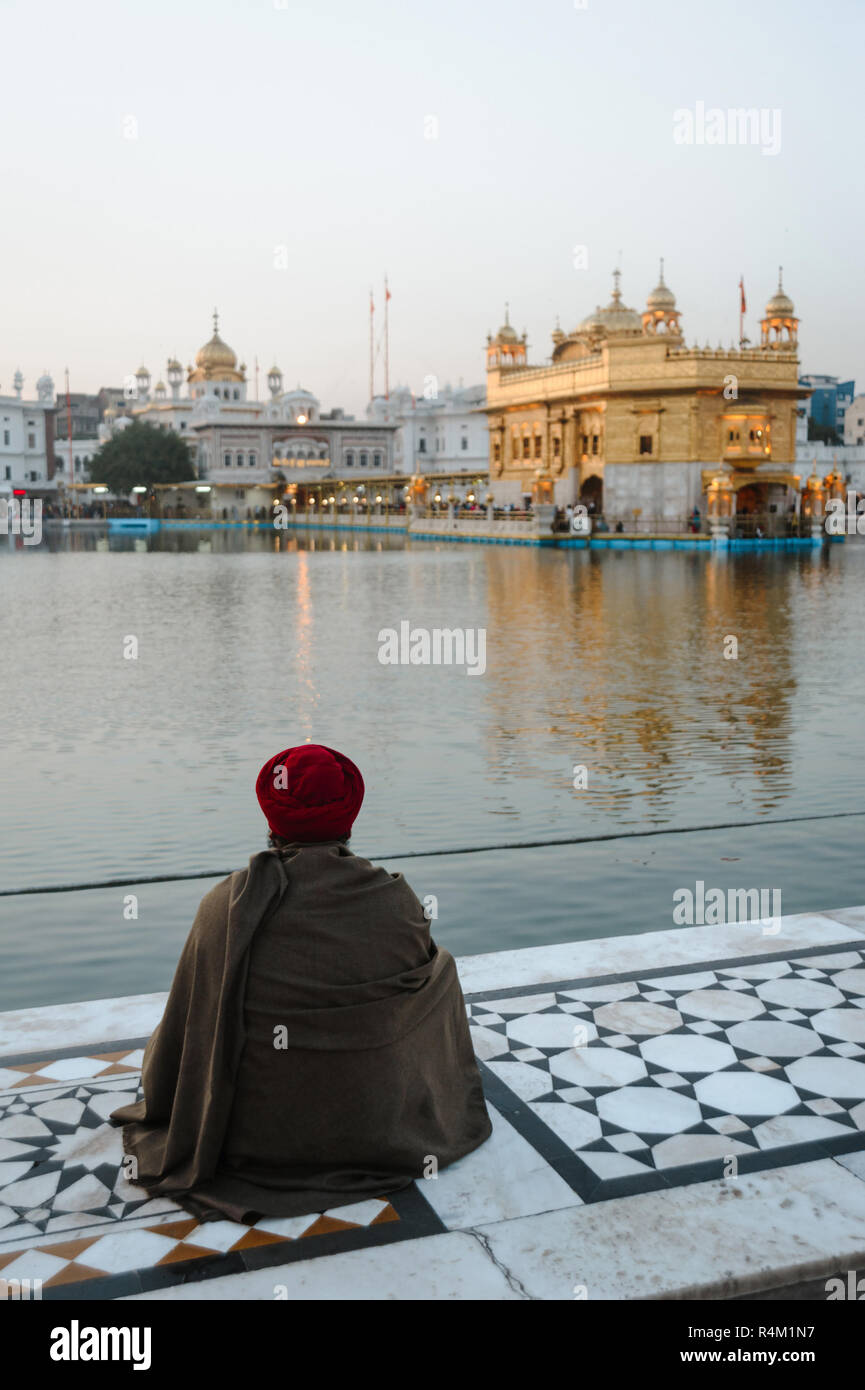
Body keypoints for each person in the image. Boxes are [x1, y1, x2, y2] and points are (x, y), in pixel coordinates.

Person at [111, 744, 491, 1223]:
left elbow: (191, 1020)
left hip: (253, 1137)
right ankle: (416, 1099)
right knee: (442, 969)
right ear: (349, 816)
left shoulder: (224, 907)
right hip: (375, 1127)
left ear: (271, 815)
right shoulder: (393, 901)